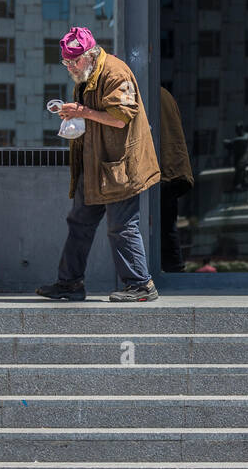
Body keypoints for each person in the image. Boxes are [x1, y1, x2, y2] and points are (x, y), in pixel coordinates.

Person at [36, 27, 161, 302]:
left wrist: (81, 112)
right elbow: (94, 117)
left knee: (122, 225)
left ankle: (141, 284)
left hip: (121, 167)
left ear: (91, 55)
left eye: (74, 61)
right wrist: (73, 117)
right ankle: (69, 283)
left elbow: (120, 117)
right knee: (79, 222)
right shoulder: (85, 74)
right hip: (94, 164)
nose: (69, 67)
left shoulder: (115, 73)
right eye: (65, 62)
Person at [158, 86, 194, 273]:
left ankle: (171, 271)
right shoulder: (164, 95)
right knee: (167, 225)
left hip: (161, 169)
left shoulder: (146, 94)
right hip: (171, 169)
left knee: (161, 225)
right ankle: (174, 270)